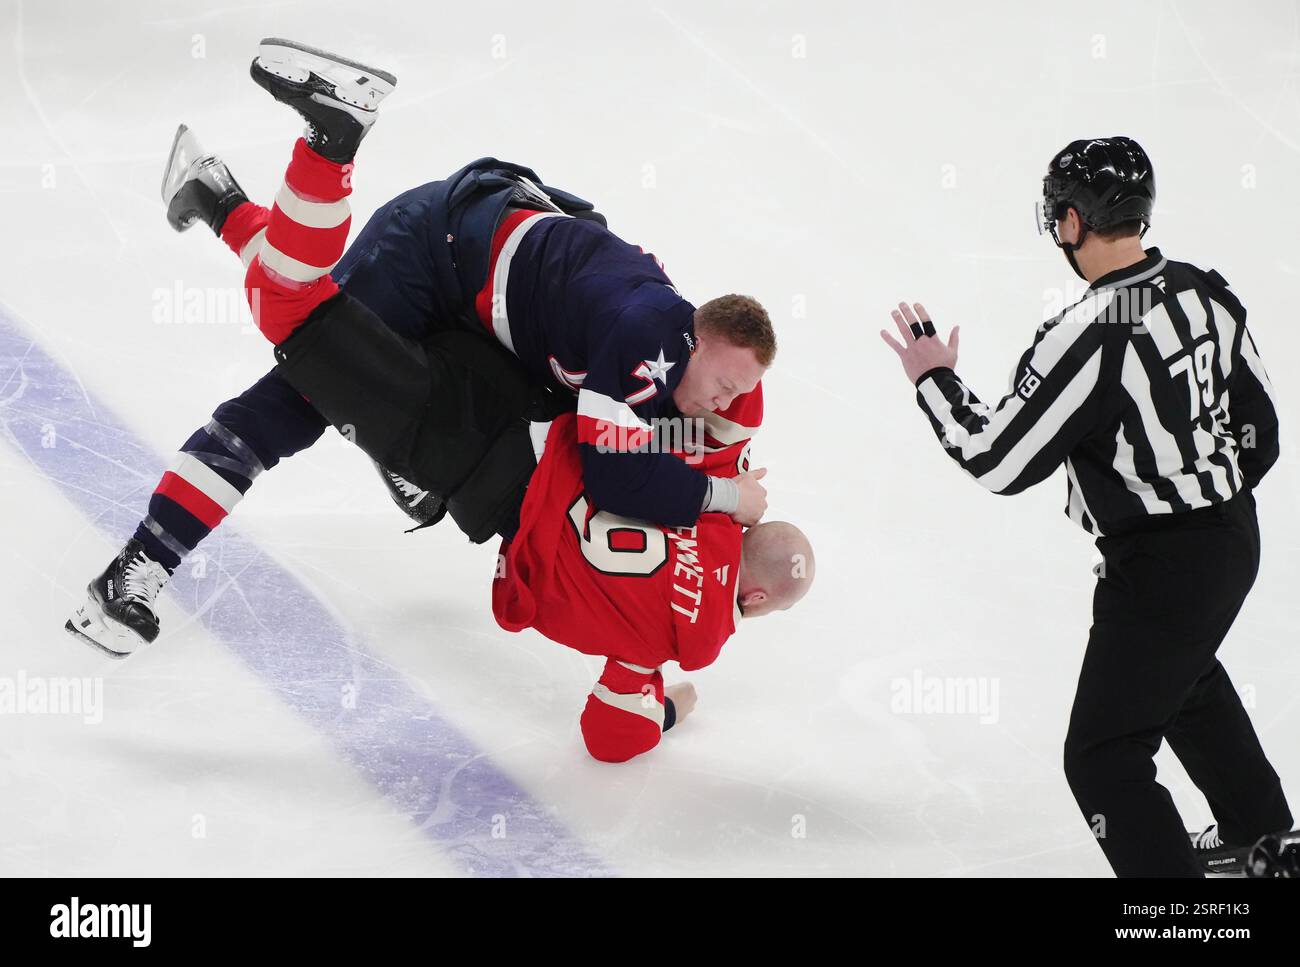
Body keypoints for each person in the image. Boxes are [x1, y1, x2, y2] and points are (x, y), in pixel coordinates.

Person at [67, 37, 772, 656]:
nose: (727, 401)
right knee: (292, 369)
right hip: (432, 254)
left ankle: (212, 194)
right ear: (699, 335)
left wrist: (727, 471)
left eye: (738, 394)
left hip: (481, 291)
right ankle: (329, 139)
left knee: (321, 325)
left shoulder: (694, 361)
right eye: (725, 383)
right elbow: (619, 474)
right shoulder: (643, 337)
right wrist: (724, 491)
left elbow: (694, 431)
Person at [880, 136, 1292, 877]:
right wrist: (1206, 492)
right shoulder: (1204, 289)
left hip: (1162, 566)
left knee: (1103, 756)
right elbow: (1261, 427)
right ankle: (1264, 839)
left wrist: (935, 380)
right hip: (1235, 537)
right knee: (1184, 674)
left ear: (1070, 222)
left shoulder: (1088, 334)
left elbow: (998, 459)